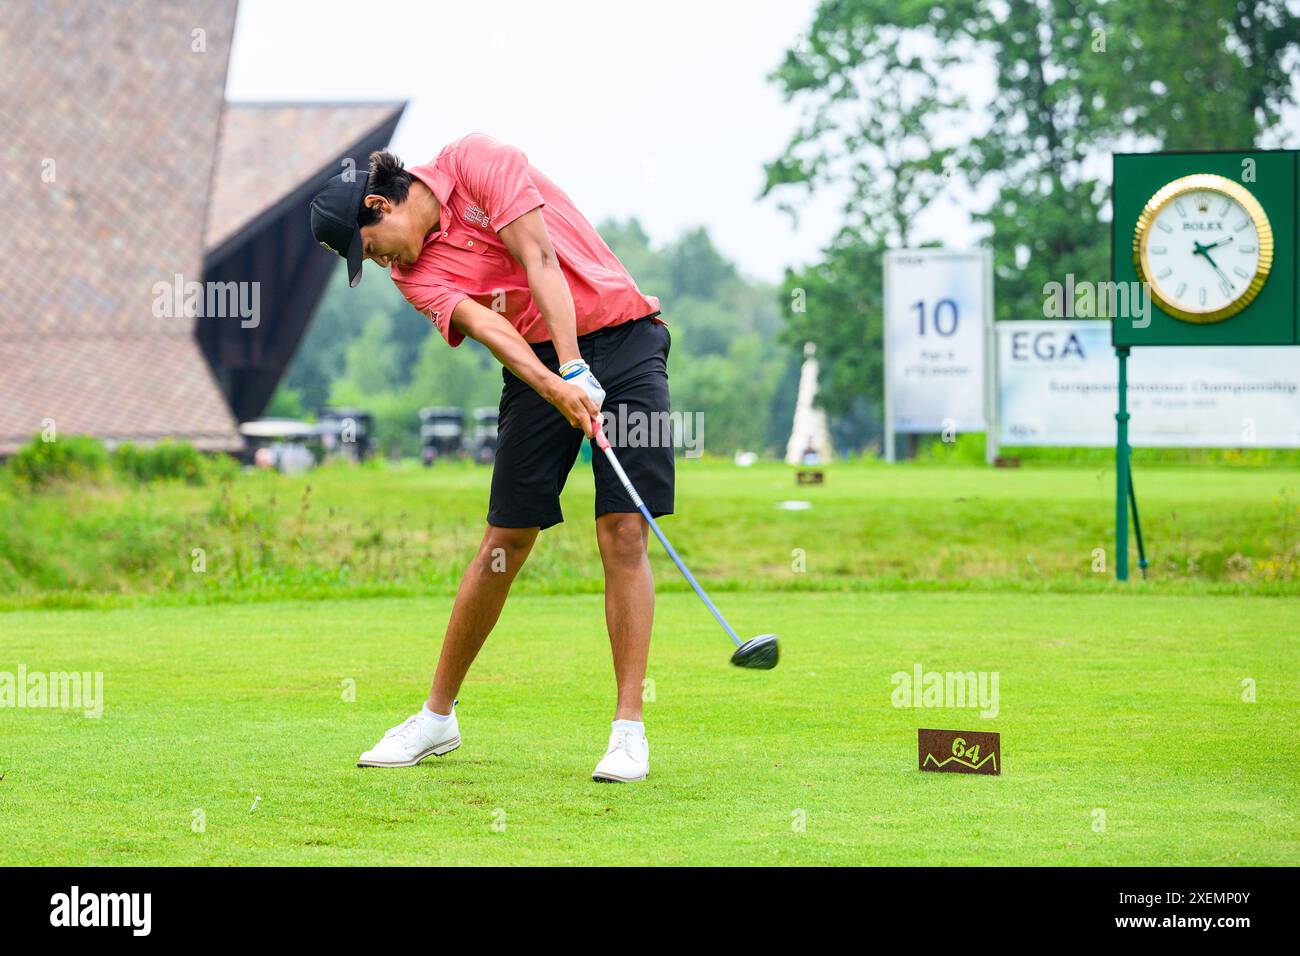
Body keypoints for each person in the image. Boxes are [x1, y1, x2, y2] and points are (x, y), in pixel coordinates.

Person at [309, 134, 673, 782]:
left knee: (622, 531)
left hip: (625, 338)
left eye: (370, 246)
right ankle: (437, 718)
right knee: (505, 540)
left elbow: (538, 256)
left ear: (377, 205)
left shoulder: (476, 161)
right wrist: (558, 384)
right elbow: (491, 328)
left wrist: (577, 365)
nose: (382, 262)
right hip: (537, 365)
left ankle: (628, 731)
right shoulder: (412, 272)